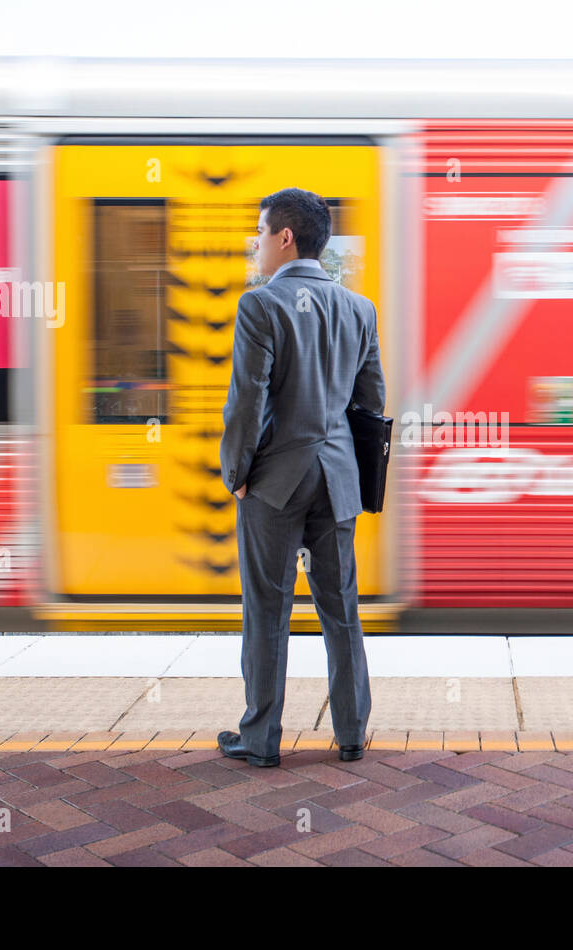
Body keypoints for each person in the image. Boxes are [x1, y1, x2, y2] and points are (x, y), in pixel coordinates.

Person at [217, 188, 385, 768]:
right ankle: (351, 733)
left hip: (274, 482)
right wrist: (358, 479)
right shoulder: (360, 310)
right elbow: (371, 407)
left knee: (267, 609)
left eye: (261, 232)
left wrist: (236, 473)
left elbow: (247, 400)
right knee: (341, 608)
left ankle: (261, 740)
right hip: (336, 479)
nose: (256, 243)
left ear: (285, 237)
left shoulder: (259, 305)